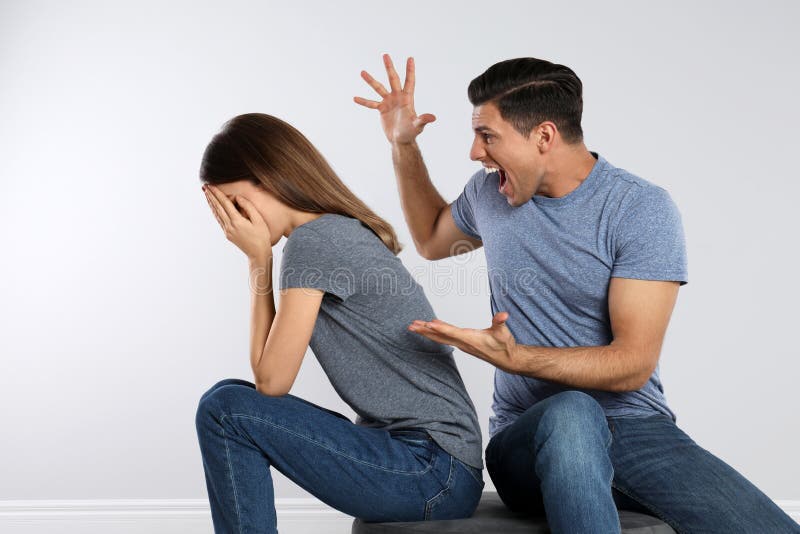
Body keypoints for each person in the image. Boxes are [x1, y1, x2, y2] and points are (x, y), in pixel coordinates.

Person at [355, 54, 800, 533]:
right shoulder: (489, 194)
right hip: (527, 440)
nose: (475, 153)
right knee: (572, 410)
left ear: (544, 136)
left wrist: (518, 358)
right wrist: (403, 145)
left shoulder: (638, 209)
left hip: (634, 431)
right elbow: (431, 237)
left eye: (488, 136)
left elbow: (632, 364)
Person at [194, 113, 484, 533]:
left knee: (223, 410)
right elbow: (263, 381)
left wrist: (259, 260)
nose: (233, 222)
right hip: (431, 463)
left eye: (235, 203)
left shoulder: (316, 242)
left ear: (268, 177)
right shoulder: (324, 235)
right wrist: (260, 260)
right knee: (227, 398)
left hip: (432, 469)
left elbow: (273, 382)